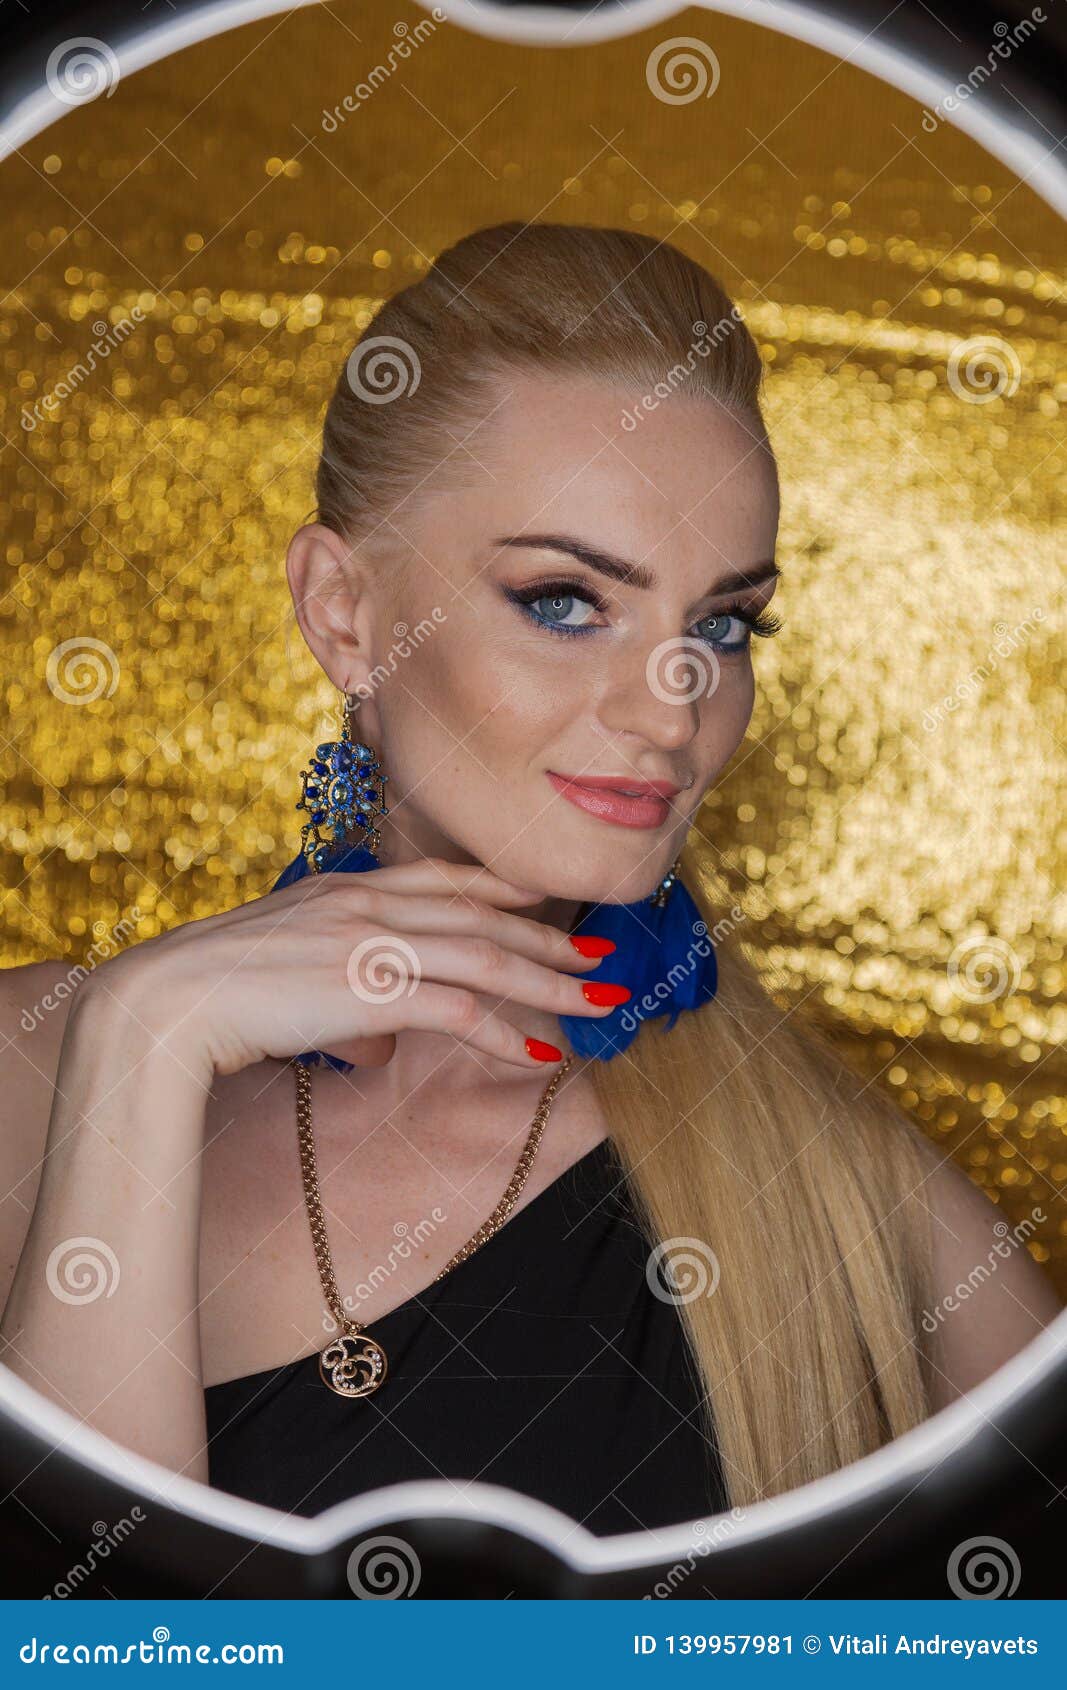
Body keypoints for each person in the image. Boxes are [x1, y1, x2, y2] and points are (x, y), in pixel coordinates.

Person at [1, 223, 1061, 1535]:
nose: (673, 706)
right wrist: (143, 1043)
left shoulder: (825, 1181)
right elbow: (91, 1632)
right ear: (345, 613)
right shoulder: (42, 1063)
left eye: (724, 624)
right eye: (565, 601)